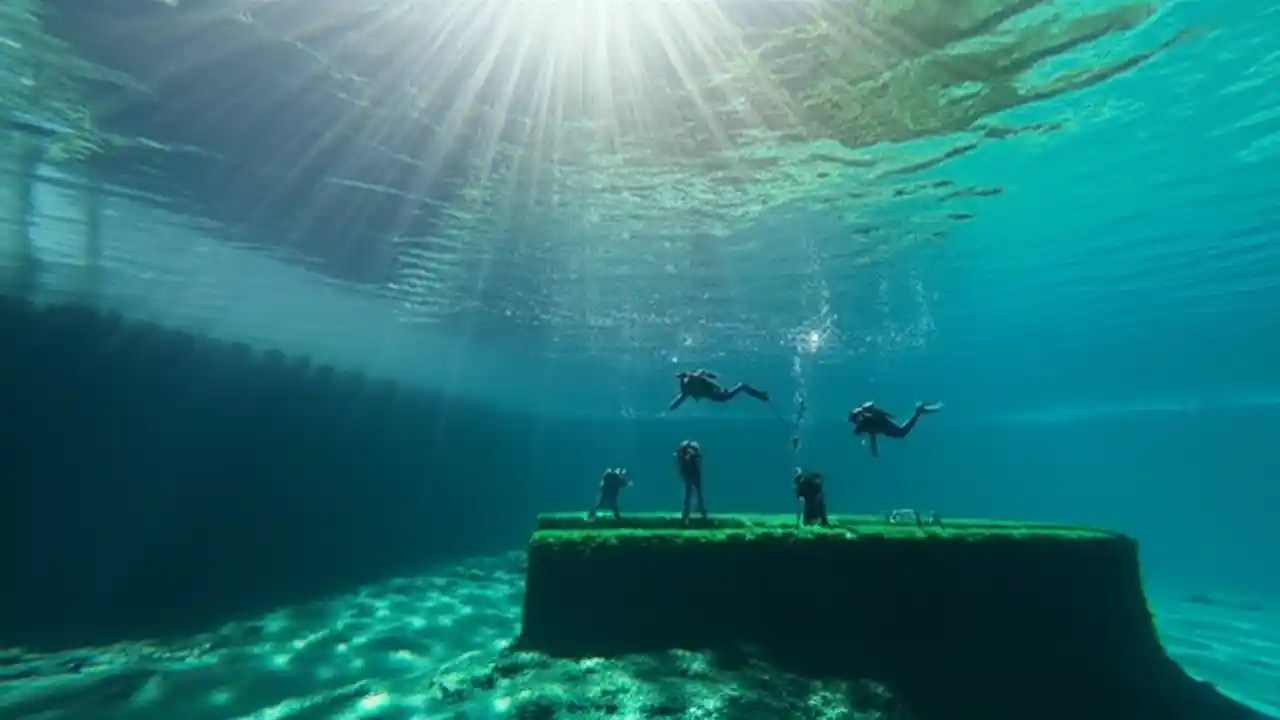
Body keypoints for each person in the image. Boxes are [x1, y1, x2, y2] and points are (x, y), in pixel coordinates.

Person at [848, 400, 943, 457]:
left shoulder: (862, 426)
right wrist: (874, 450)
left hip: (883, 424)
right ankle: (919, 412)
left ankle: (918, 412)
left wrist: (874, 450)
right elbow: (872, 434)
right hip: (882, 423)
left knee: (901, 433)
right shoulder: (863, 425)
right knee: (901, 432)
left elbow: (872, 434)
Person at [668, 369, 770, 411]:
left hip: (719, 394)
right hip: (718, 397)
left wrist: (716, 383)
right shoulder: (687, 389)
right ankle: (760, 395)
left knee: (741, 387)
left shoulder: (694, 378)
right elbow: (679, 399)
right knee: (741, 387)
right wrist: (672, 406)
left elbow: (704, 374)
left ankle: (760, 395)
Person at [675, 440, 707, 525]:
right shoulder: (686, 456)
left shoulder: (688, 455)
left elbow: (682, 465)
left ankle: (696, 512)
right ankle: (696, 512)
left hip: (692, 475)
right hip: (692, 475)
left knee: (690, 494)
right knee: (691, 494)